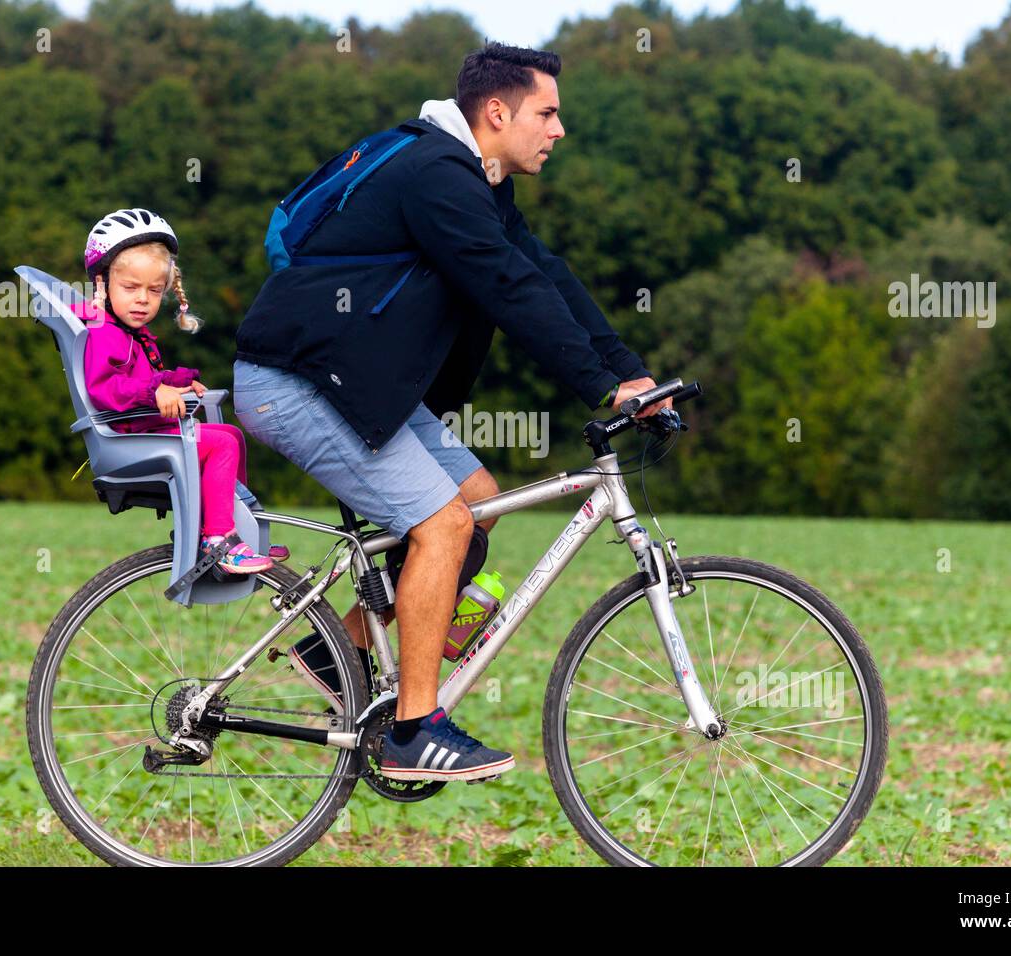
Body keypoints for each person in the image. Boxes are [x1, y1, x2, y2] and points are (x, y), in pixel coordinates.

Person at [234, 43, 668, 781]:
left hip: (356, 385)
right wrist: (598, 386)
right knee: (445, 527)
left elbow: (541, 273)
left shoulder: (477, 178)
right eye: (548, 113)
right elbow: (505, 288)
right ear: (497, 112)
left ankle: (337, 650)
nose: (559, 130)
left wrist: (631, 373)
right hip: (298, 383)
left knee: (479, 503)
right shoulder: (437, 175)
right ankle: (412, 733)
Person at [80, 207, 287, 574]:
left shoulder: (130, 333)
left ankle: (243, 524)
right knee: (220, 444)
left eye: (154, 291)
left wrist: (174, 381)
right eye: (130, 288)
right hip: (128, 437)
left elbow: (146, 376)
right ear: (102, 283)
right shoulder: (104, 332)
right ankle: (220, 539)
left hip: (143, 430)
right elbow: (105, 388)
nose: (142, 299)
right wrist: (152, 394)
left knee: (230, 435)